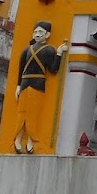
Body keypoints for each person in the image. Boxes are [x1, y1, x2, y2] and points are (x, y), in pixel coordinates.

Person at [13, 21, 68, 154]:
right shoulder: (26, 50)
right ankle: (18, 138)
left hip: (38, 83)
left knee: (34, 113)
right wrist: (18, 85)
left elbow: (53, 69)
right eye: (36, 32)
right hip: (25, 82)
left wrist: (59, 53)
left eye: (40, 32)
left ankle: (31, 140)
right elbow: (21, 69)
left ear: (47, 34)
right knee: (22, 113)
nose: (37, 35)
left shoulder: (49, 50)